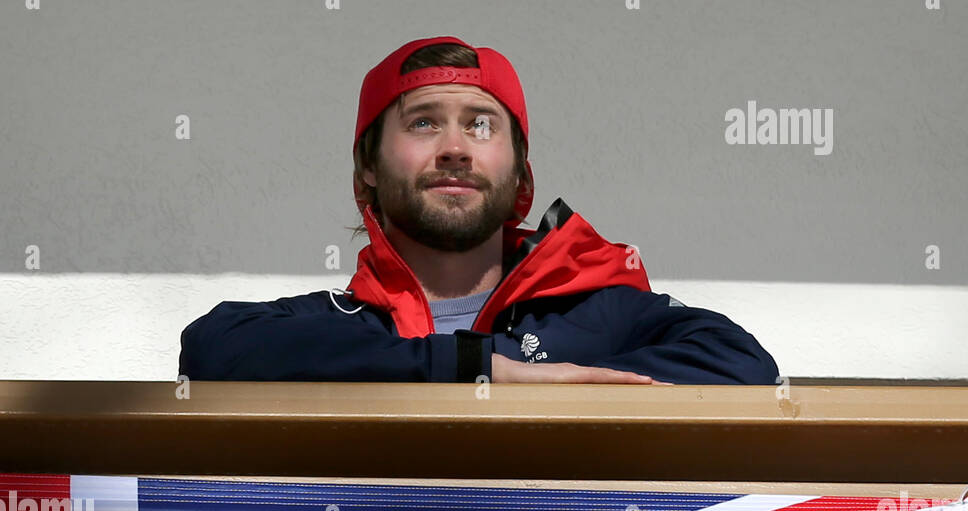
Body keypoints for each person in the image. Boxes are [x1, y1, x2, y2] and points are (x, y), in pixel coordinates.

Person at [178, 36, 780, 386]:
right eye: (423, 122)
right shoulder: (332, 328)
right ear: (367, 166)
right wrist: (474, 366)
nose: (455, 149)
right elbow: (210, 349)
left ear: (519, 170)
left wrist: (538, 376)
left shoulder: (601, 317)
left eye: (480, 125)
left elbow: (743, 364)